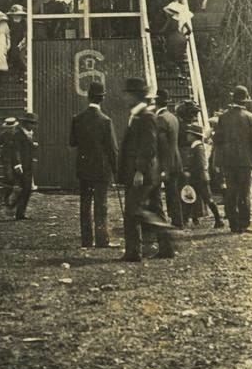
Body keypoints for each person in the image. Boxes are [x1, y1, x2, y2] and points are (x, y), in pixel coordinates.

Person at [118, 77, 175, 262]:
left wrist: (140, 171)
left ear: (135, 96)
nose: (124, 97)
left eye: (127, 94)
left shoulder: (146, 117)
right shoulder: (139, 115)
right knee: (156, 208)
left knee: (132, 211)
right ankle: (167, 247)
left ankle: (134, 252)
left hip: (143, 173)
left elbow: (149, 146)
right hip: (151, 173)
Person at [69, 81, 118, 248]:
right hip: (101, 169)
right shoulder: (106, 121)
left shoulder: (77, 119)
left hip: (84, 168)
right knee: (100, 205)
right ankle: (102, 239)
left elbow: (72, 142)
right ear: (102, 99)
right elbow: (112, 149)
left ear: (88, 96)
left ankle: (86, 240)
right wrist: (116, 169)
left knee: (85, 204)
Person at [213, 85, 252, 234]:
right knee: (244, 192)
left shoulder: (223, 117)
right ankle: (244, 223)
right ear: (245, 101)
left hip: (228, 161)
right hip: (245, 161)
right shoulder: (250, 117)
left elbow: (217, 140)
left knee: (231, 192)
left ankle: (233, 224)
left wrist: (219, 160)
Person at [183, 123, 223, 228]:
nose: (187, 136)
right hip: (197, 178)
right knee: (191, 198)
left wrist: (190, 171)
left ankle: (219, 220)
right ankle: (188, 220)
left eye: (189, 134)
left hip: (200, 178)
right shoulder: (195, 147)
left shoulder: (198, 148)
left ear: (193, 136)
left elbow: (201, 164)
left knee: (207, 199)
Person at [154, 89, 183, 228]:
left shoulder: (160, 119)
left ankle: (166, 221)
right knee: (173, 193)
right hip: (176, 159)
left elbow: (163, 146)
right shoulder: (172, 117)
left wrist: (164, 168)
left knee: (160, 193)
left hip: (165, 162)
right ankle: (178, 221)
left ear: (156, 103)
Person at [12, 112, 38, 220]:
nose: (33, 125)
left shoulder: (29, 133)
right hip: (21, 165)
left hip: (28, 164)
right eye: (31, 123)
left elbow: (28, 148)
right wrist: (17, 164)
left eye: (34, 123)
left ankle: (20, 212)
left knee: (26, 189)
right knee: (24, 188)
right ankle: (17, 211)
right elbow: (16, 150)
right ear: (25, 123)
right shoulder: (18, 134)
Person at [0, 116, 18, 205]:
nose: (10, 129)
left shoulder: (19, 135)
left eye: (12, 128)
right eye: (8, 128)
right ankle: (4, 197)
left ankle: (4, 197)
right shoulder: (3, 135)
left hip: (17, 159)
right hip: (6, 159)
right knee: (9, 177)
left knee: (13, 179)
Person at [7, 4, 26, 73]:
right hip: (12, 40)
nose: (15, 17)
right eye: (14, 15)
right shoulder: (10, 23)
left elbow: (25, 34)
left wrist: (23, 41)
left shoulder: (24, 23)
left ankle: (20, 68)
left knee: (18, 53)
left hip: (21, 41)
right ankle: (12, 66)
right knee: (12, 51)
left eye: (18, 15)